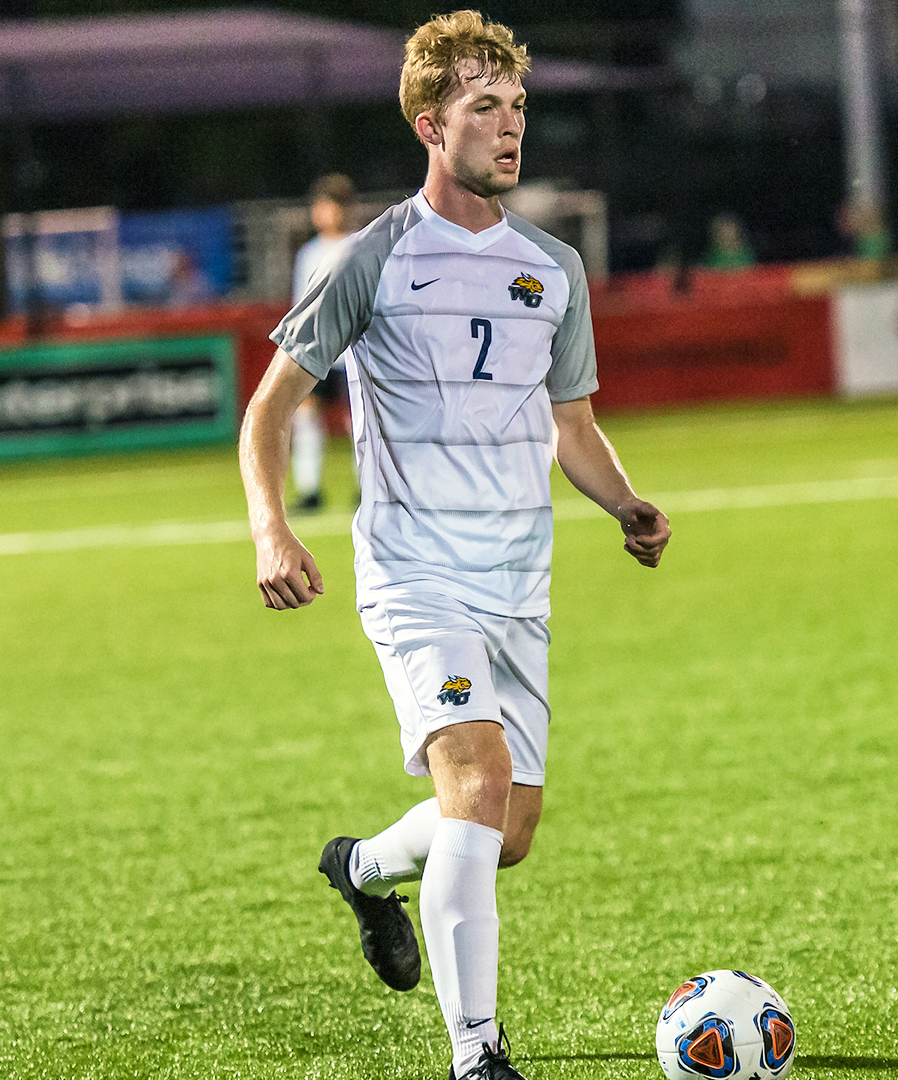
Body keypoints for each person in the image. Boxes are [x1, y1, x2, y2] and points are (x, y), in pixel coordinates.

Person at [237, 12, 672, 1080]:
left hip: (518, 581)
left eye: (518, 105)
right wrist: (270, 528)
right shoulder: (371, 258)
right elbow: (267, 410)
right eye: (486, 107)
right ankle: (477, 1055)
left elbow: (571, 422)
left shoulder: (551, 268)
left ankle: (364, 867)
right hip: (413, 572)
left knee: (503, 830)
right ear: (433, 124)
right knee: (474, 783)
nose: (510, 127)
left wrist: (623, 505)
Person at [289, 173, 358, 511]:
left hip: (353, 352)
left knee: (358, 419)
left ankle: (368, 485)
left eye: (329, 206)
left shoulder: (359, 246)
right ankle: (309, 488)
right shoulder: (309, 253)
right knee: (306, 418)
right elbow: (300, 305)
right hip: (319, 352)